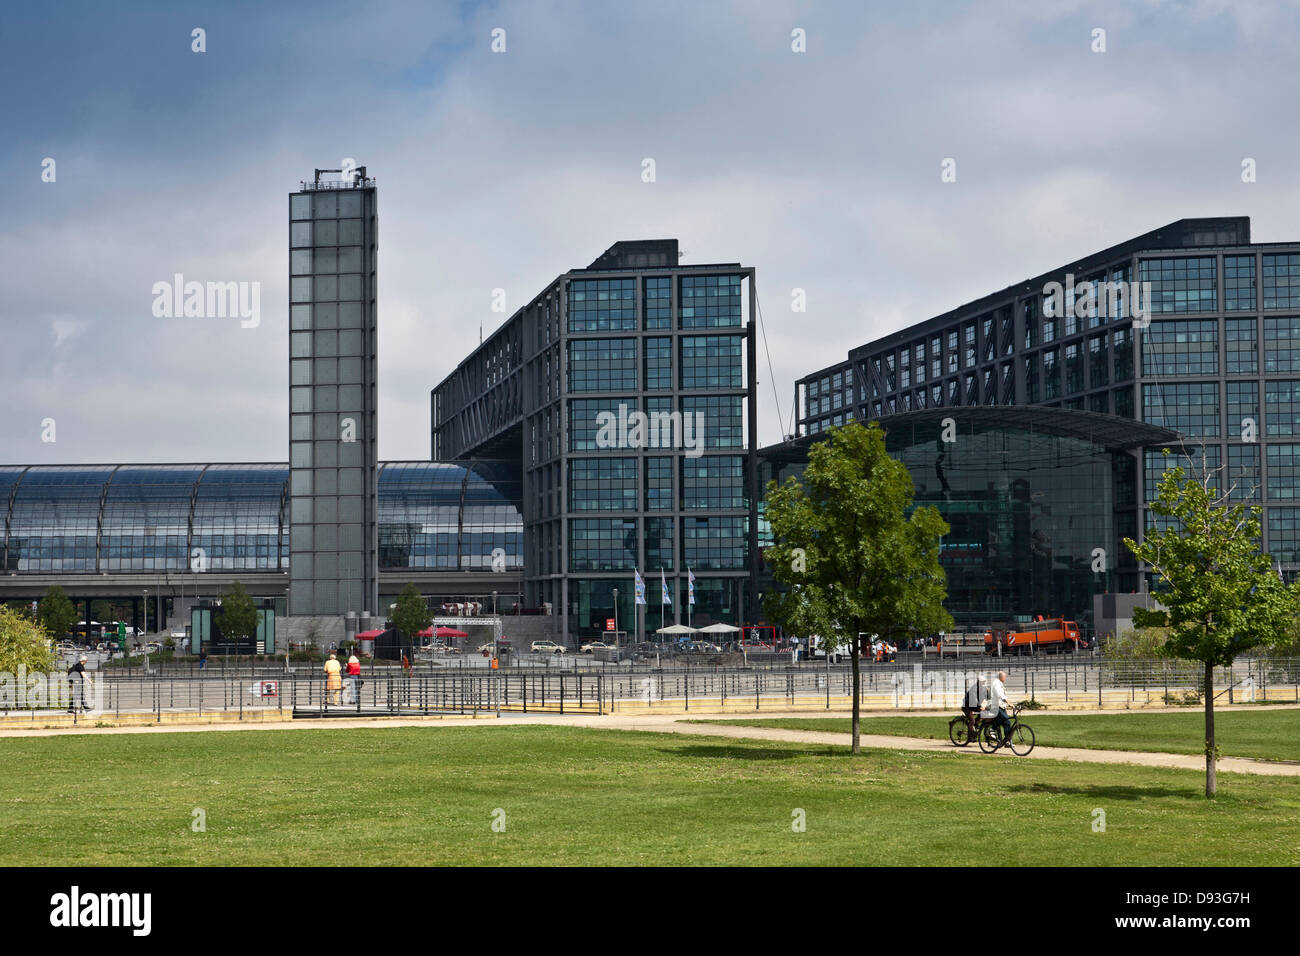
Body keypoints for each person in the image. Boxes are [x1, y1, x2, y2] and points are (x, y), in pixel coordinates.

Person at [986, 670, 1012, 746]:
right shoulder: (996, 683)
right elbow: (1000, 694)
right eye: (1005, 677)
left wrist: (1008, 703)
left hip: (1000, 706)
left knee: (1007, 723)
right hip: (995, 706)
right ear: (1001, 677)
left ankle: (1007, 741)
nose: (1005, 678)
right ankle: (992, 730)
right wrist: (1008, 702)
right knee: (1006, 720)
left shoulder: (999, 683)